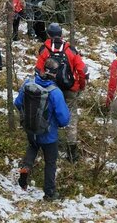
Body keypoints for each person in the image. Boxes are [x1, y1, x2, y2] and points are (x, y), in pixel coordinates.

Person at [15, 57, 70, 201]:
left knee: (33, 146)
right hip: (49, 134)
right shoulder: (55, 92)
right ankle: (49, 193)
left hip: (30, 128)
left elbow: (17, 102)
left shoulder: (29, 83)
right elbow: (64, 119)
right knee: (50, 162)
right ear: (55, 73)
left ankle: (26, 168)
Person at [35, 23, 88, 161]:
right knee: (72, 117)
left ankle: (50, 144)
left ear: (48, 34)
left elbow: (38, 71)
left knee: (49, 114)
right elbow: (82, 70)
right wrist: (81, 86)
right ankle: (72, 152)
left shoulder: (44, 50)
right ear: (61, 34)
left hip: (50, 89)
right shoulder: (70, 50)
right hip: (70, 88)